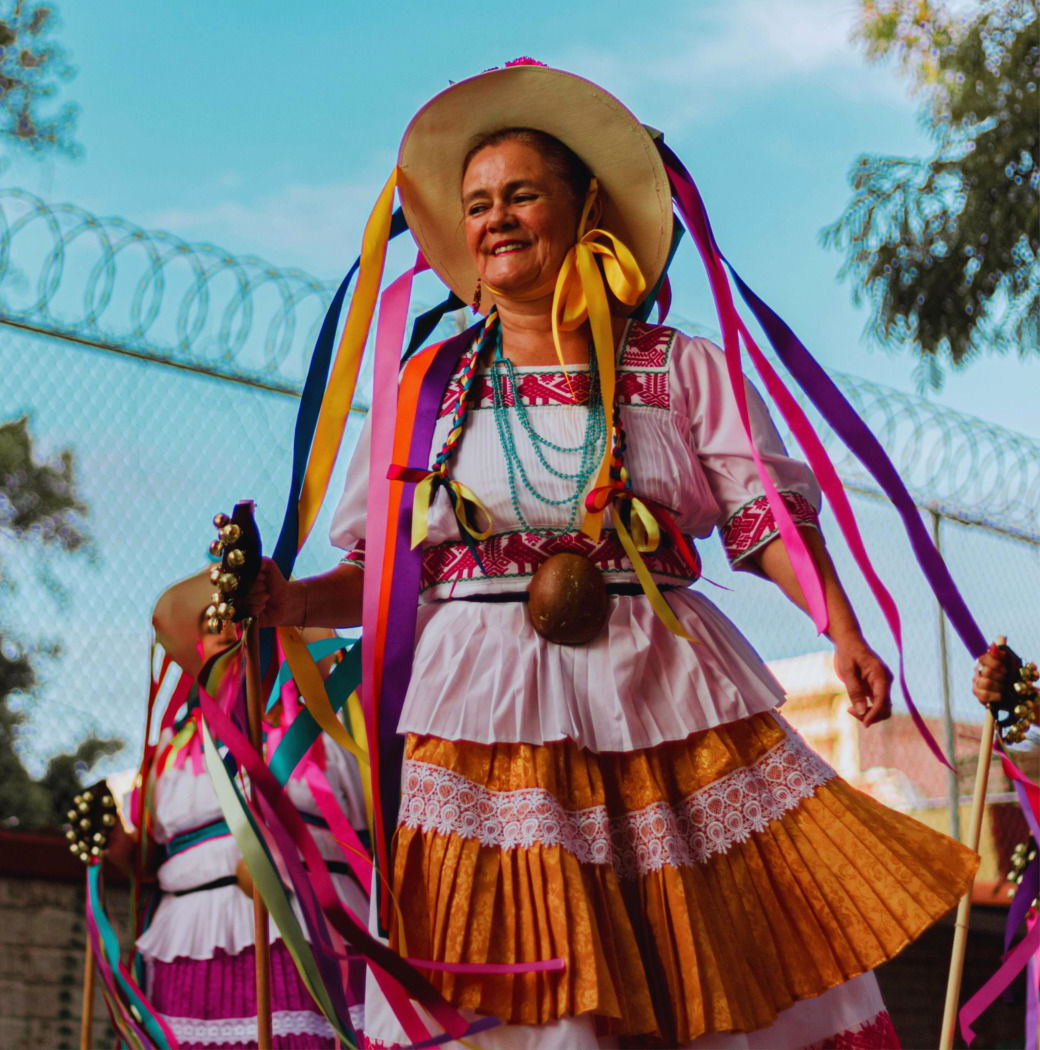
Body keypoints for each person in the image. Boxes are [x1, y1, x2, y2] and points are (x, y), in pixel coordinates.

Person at [251, 62, 978, 1048]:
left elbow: (760, 519)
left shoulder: (674, 366)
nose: (494, 219)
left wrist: (839, 630)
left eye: (518, 194)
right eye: (474, 204)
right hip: (481, 711)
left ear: (582, 205)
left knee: (715, 970)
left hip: (664, 692)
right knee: (524, 991)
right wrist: (284, 603)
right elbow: (384, 581)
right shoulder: (429, 387)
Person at [101, 572, 366, 1049]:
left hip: (318, 937)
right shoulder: (167, 755)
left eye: (240, 617)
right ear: (197, 647)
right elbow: (148, 867)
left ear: (275, 630)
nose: (226, 628)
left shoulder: (332, 732)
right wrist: (115, 848)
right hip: (193, 944)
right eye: (210, 621)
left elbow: (372, 837)